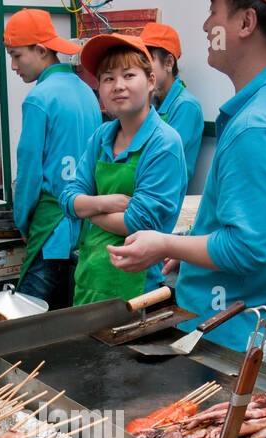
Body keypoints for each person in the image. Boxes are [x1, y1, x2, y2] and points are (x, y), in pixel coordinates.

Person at [111, 0, 266, 357]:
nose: (206, 27)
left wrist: (164, 245)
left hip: (229, 341)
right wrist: (191, 245)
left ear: (246, 22)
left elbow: (247, 248)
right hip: (254, 334)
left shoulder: (256, 126)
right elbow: (250, 219)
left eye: (213, 12)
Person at [58, 34, 185, 305]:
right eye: (107, 78)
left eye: (128, 75)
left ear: (151, 81)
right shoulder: (102, 136)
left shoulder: (163, 143)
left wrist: (90, 212)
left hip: (136, 289)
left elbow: (137, 222)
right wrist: (106, 202)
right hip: (90, 277)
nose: (118, 86)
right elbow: (67, 198)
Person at [3, 8, 100, 310]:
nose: (13, 65)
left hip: (50, 227)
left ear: (42, 50)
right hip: (85, 224)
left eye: (17, 56)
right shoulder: (87, 92)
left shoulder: (39, 98)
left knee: (29, 319)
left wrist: (21, 220)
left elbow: (30, 171)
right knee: (69, 317)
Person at [140, 22, 205, 190]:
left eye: (147, 60)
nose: (141, 69)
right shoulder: (152, 101)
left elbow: (164, 160)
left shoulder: (185, 106)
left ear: (169, 62)